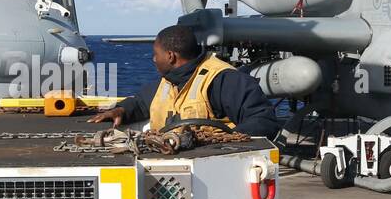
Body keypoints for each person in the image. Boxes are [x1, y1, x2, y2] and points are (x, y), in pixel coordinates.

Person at [88, 24, 281, 138]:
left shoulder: (222, 80)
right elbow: (140, 103)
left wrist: (224, 142)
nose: (154, 59)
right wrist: (120, 110)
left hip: (213, 168)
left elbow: (263, 121)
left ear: (171, 56)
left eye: (156, 54)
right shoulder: (168, 81)